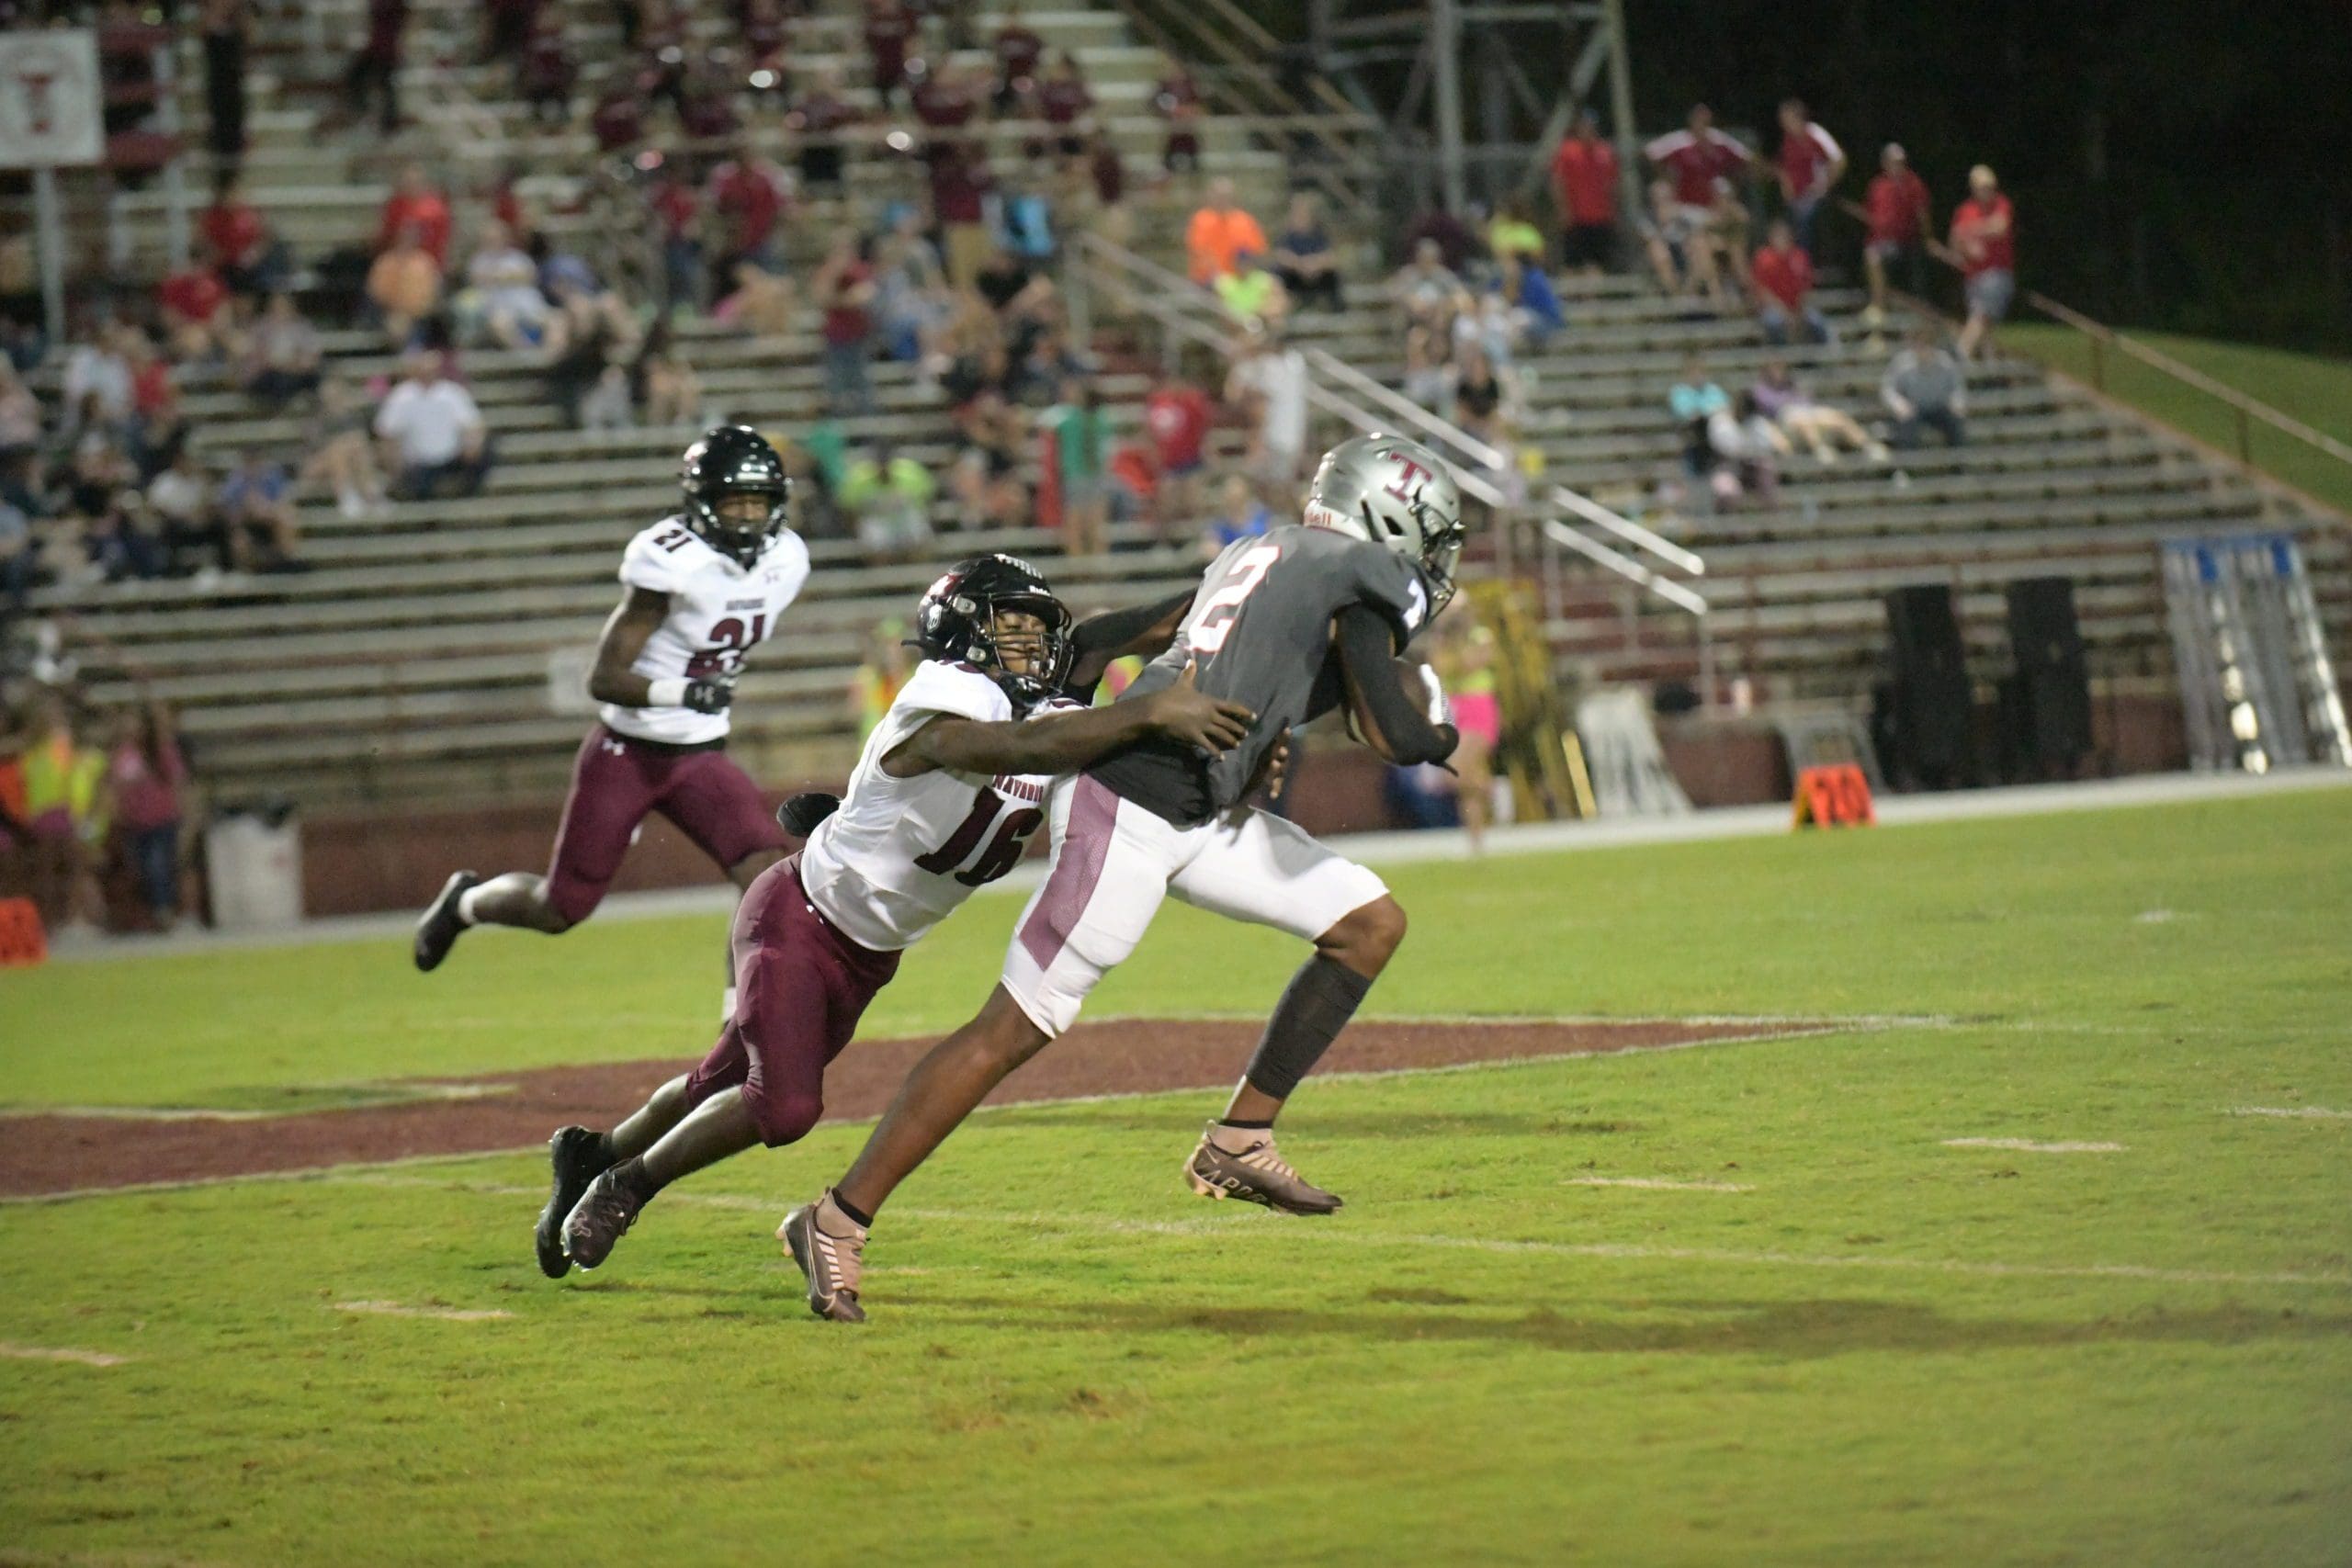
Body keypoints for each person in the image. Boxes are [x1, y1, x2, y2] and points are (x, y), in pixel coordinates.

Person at [779, 435, 1466, 1322]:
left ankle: (1239, 1138)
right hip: (1133, 806)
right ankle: (834, 1218)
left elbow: (1099, 638)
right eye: (1430, 536)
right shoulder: (1360, 573)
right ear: (1387, 516)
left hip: (1197, 808)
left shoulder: (1259, 554)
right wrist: (1440, 728)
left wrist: (1230, 727)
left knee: (1368, 923)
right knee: (1011, 1030)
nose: (1433, 560)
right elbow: (1397, 731)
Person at [544, 558, 1252, 1279]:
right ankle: (624, 1186)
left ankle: (592, 1152)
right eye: (1012, 625)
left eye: (1038, 628)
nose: (1034, 643)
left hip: (868, 954)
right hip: (798, 919)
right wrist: (1144, 712)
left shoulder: (1042, 703)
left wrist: (1242, 584)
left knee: (715, 1082)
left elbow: (1108, 638)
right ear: (962, 631)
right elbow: (1010, 748)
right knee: (784, 1107)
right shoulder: (950, 691)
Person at [414, 429, 812, 1006]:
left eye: (760, 502)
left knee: (766, 876)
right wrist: (683, 690)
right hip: (627, 751)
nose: (750, 517)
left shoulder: (788, 559)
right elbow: (603, 678)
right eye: (735, 503)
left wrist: (696, 698)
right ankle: (467, 903)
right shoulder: (671, 560)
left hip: (700, 754)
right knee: (561, 908)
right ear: (702, 502)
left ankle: (740, 1030)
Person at [107, 700, 187, 931]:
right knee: (141, 869)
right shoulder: (126, 755)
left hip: (162, 820)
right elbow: (118, 786)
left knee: (158, 865)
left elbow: (177, 782)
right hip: (136, 823)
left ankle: (164, 910)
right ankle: (149, 913)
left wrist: (180, 810)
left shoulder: (162, 752)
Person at [375, 351, 492, 499]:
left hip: (450, 457)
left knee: (487, 449)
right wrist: (394, 461)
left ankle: (467, 491)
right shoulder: (401, 396)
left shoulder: (452, 392)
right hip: (417, 462)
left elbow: (473, 423)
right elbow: (386, 431)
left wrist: (473, 444)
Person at [1434, 607, 1499, 852]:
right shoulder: (1445, 642)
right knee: (1469, 781)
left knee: (1455, 773)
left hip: (1478, 706)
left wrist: (1455, 642)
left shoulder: (1480, 636)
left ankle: (1496, 791)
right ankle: (1476, 844)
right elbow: (1440, 667)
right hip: (1456, 709)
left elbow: (1469, 664)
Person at [1225, 323, 1309, 496]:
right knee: (1278, 488)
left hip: (1272, 439)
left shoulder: (1271, 365)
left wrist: (1257, 439)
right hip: (1289, 437)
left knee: (1270, 490)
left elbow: (1257, 405)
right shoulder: (1295, 363)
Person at [1752, 360, 1885, 463]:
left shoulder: (1792, 385)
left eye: (1780, 368)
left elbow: (1807, 402)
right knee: (1803, 420)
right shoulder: (1761, 390)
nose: (1778, 372)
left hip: (1808, 412)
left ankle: (1868, 446)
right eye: (1774, 369)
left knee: (1837, 416)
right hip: (1785, 421)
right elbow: (1770, 410)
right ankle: (1821, 450)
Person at [1861, 143, 1931, 327]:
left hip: (1904, 242)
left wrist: (1928, 239)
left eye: (1901, 162)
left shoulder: (1913, 184)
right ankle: (1879, 302)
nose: (1898, 166)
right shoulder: (1877, 185)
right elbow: (1871, 213)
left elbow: (1922, 214)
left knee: (1873, 255)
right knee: (1872, 253)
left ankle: (1878, 304)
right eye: (1893, 162)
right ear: (1884, 163)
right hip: (1879, 241)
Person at [1951, 164, 2016, 359]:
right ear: (1973, 188)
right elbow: (1955, 240)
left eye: (1990, 187)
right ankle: (1990, 362)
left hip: (1997, 273)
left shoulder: (2001, 204)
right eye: (1982, 187)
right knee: (1985, 325)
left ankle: (1961, 351)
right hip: (1973, 275)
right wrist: (1967, 247)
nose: (1987, 191)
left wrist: (1971, 230)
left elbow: (2000, 227)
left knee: (1981, 315)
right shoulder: (1965, 210)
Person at [1042, 377, 1110, 557]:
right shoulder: (1101, 419)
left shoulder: (1068, 419)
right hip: (1091, 474)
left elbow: (1045, 423)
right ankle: (1094, 561)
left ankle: (1080, 562)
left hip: (1078, 475)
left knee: (1077, 524)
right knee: (1093, 524)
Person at [1143, 361, 1214, 530]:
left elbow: (1203, 428)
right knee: (1166, 500)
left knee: (1194, 501)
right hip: (1170, 461)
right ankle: (1164, 538)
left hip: (1192, 459)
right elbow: (1150, 430)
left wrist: (1208, 450)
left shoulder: (1194, 402)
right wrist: (1153, 452)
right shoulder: (1159, 402)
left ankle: (1197, 534)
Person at [839, 439, 936, 562]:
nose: (883, 467)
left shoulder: (911, 473)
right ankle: (883, 570)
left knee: (920, 534)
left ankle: (918, 568)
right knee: (873, 539)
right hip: (876, 519)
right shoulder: (859, 478)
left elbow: (928, 499)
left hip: (905, 517)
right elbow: (848, 508)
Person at [1551, 109, 1620, 274]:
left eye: (1590, 126)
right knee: (1572, 263)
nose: (1587, 130)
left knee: (1597, 262)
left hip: (1601, 216)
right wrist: (1563, 209)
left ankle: (1593, 290)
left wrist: (1614, 209)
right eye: (1584, 126)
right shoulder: (1567, 151)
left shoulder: (1605, 151)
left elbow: (1613, 184)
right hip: (1575, 217)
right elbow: (1558, 182)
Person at [1772, 98, 1845, 254]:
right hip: (1795, 197)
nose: (1784, 124)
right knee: (1781, 226)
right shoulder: (1788, 140)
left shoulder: (1815, 133)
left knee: (1803, 221)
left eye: (1787, 119)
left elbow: (1839, 160)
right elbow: (1784, 168)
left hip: (1814, 196)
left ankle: (1804, 261)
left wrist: (1823, 186)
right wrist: (1786, 185)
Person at [1883, 324, 1968, 447]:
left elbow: (1957, 388)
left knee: (1955, 424)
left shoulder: (1946, 363)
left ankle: (1959, 458)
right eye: (1919, 345)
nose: (1923, 350)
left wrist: (1957, 403)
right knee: (1905, 428)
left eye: (1927, 345)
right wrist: (1899, 404)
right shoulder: (1901, 363)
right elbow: (1888, 389)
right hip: (1912, 408)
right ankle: (1908, 459)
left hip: (1939, 407)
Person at [1750, 218, 1830, 344]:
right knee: (1773, 323)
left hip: (1798, 308)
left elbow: (1805, 287)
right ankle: (1779, 354)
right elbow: (1763, 291)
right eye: (1778, 236)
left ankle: (1823, 354)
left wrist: (1798, 312)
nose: (1782, 239)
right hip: (1774, 308)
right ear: (1771, 238)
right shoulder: (1763, 258)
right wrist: (1786, 314)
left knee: (1817, 322)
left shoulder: (1800, 256)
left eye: (1784, 236)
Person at [1185, 178, 1267, 285]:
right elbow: (1200, 253)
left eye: (1226, 196)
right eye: (1218, 196)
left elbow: (1257, 252)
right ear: (1210, 196)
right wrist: (1219, 277)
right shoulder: (1201, 220)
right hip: (1208, 280)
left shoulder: (1245, 220)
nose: (1222, 200)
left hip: (1240, 280)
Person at [1270, 192, 1342, 312]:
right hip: (1294, 274)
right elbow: (1280, 254)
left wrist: (1315, 264)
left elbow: (1331, 256)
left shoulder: (1319, 233)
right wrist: (1299, 264)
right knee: (1277, 274)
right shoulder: (1286, 234)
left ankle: (1337, 310)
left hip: (1316, 273)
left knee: (1333, 275)